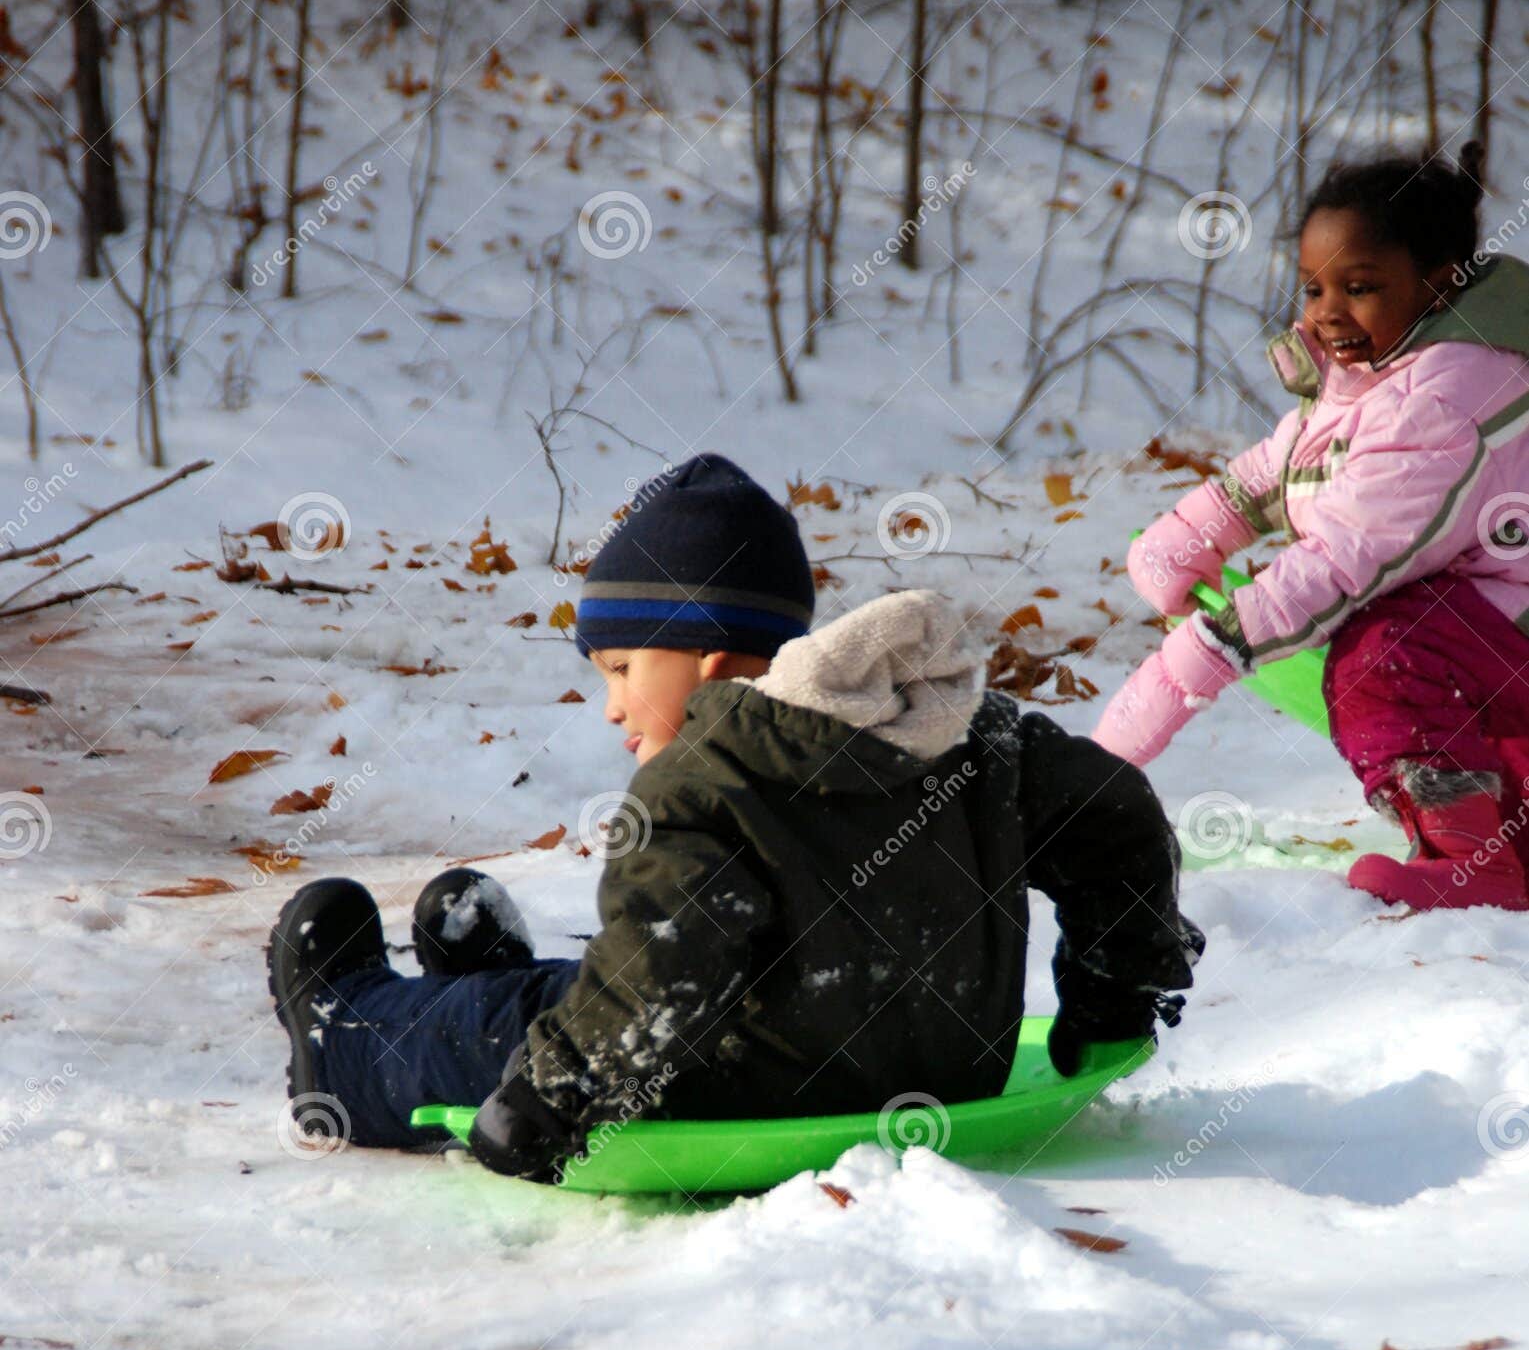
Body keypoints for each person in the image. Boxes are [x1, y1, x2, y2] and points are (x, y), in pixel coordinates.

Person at [268, 454, 1201, 1181]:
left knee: (499, 1025)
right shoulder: (965, 741)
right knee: (595, 982)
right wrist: (1117, 991)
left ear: (710, 662)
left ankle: (339, 1039)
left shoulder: (703, 783)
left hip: (717, 1094)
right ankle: (508, 993)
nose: (611, 706)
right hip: (946, 1077)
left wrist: (550, 1103)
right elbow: (1113, 816)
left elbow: (665, 977)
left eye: (624, 669)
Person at [1096, 142, 1529, 913]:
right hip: (1499, 645)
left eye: (1358, 287)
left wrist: (1179, 674)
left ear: (1437, 283)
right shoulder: (1384, 370)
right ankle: (1501, 832)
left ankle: (1470, 862)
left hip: (1502, 643)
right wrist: (1193, 533)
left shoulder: (1445, 397)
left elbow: (1336, 563)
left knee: (1386, 649)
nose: (1327, 311)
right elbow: (1285, 462)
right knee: (1393, 634)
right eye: (1313, 287)